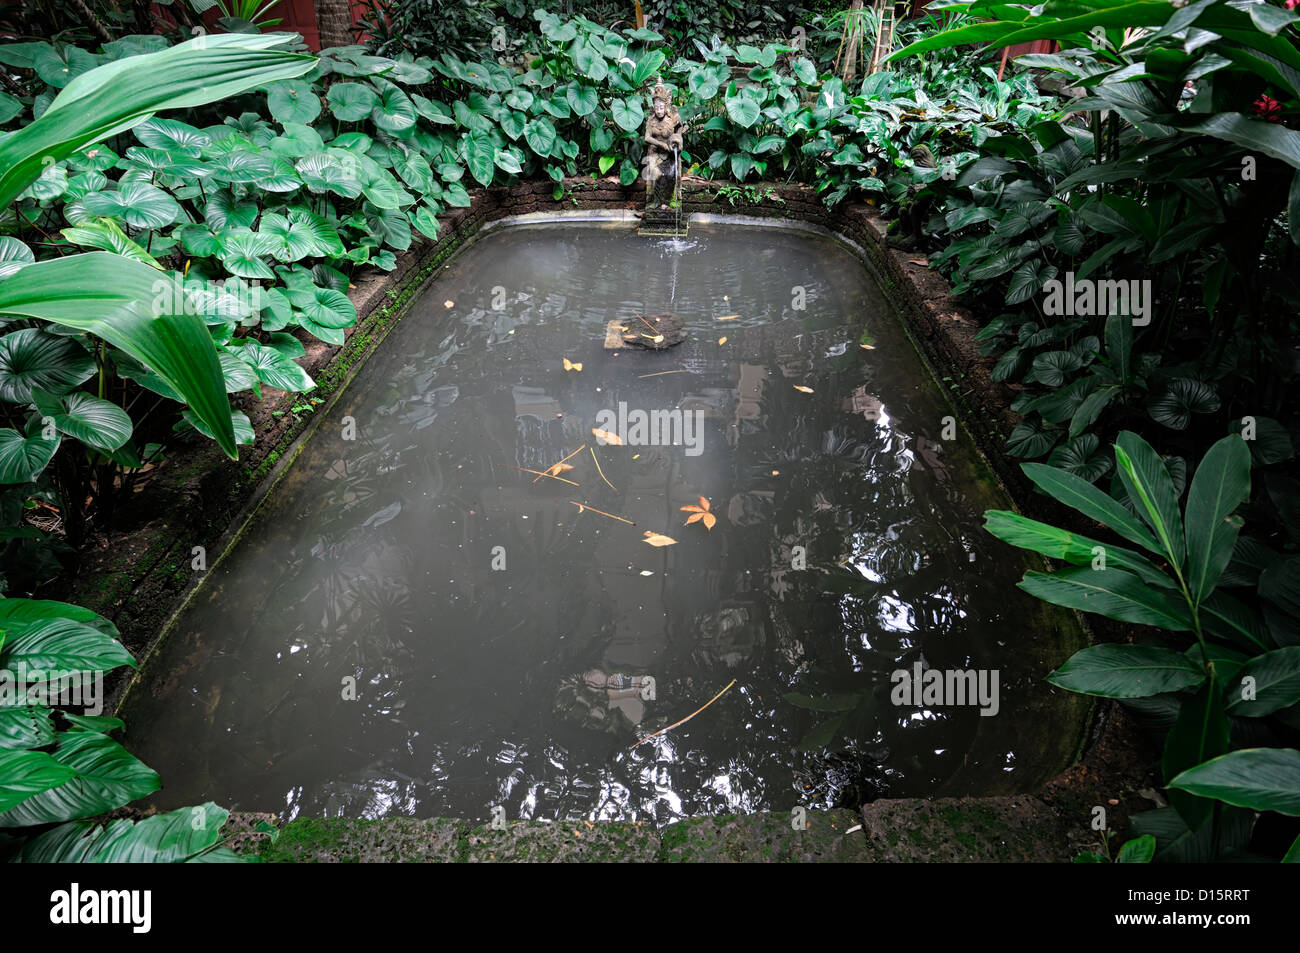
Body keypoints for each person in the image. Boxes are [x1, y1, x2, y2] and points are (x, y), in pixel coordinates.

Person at [642, 83, 686, 210]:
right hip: (656, 152)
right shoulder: (651, 120)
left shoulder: (673, 119)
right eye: (656, 108)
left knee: (672, 174)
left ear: (666, 105)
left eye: (661, 107)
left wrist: (677, 141)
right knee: (654, 173)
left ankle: (671, 201)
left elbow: (679, 133)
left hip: (670, 154)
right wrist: (661, 144)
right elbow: (647, 137)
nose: (659, 111)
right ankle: (655, 201)